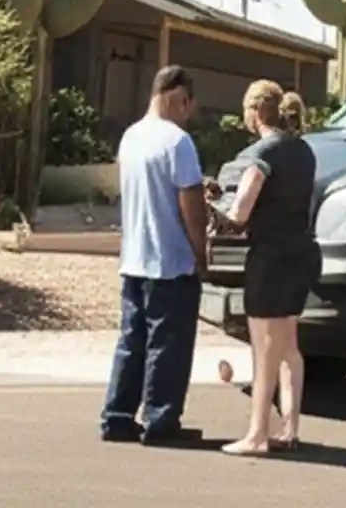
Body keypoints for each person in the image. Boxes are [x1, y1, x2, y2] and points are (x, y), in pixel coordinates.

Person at [99, 65, 208, 445]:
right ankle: (161, 421)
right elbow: (191, 205)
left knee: (132, 341)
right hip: (171, 261)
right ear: (181, 98)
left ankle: (117, 416)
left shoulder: (131, 138)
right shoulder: (177, 142)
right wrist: (201, 254)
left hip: (134, 258)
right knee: (169, 345)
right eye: (188, 106)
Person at [215, 81, 320, 456]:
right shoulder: (304, 151)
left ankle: (257, 434)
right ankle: (289, 429)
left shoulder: (262, 153)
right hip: (301, 254)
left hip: (270, 258)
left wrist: (214, 206)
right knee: (289, 345)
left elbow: (239, 212)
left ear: (256, 113)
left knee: (264, 348)